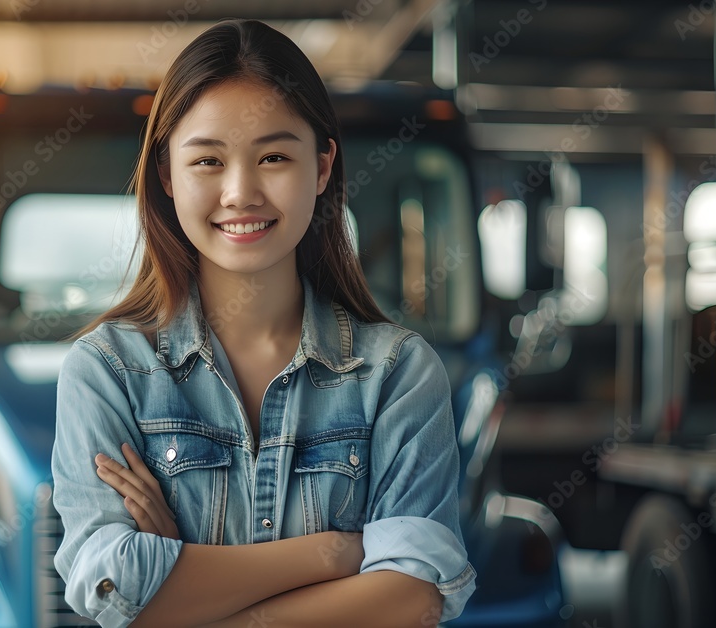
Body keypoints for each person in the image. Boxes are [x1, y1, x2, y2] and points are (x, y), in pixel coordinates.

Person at [51, 18, 477, 628]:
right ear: (167, 175)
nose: (240, 192)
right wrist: (336, 553)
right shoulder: (107, 372)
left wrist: (184, 581)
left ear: (322, 167)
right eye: (207, 160)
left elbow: (414, 595)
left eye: (274, 156)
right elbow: (112, 585)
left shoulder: (399, 374)